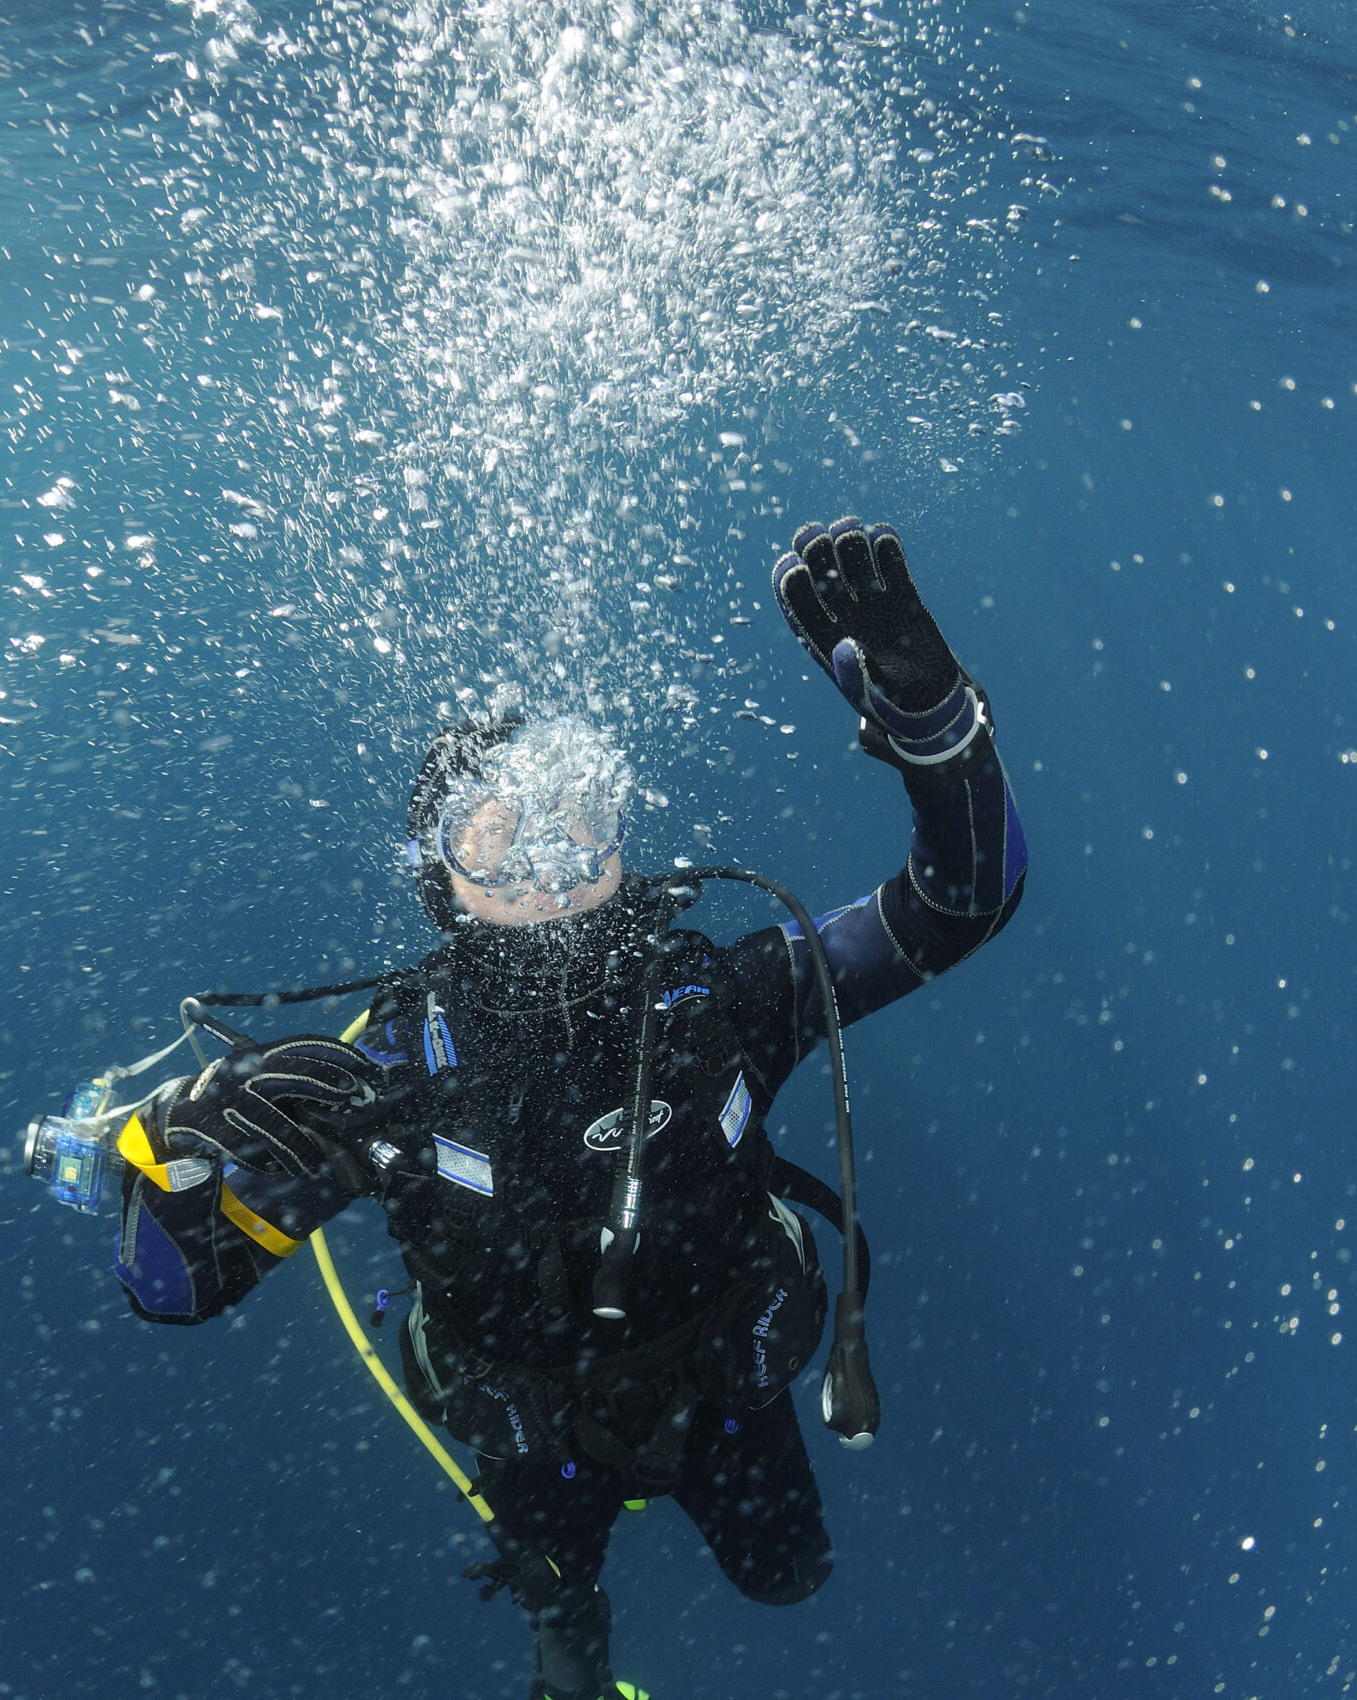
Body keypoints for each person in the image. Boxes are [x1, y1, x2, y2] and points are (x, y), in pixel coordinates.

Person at [108, 517, 1027, 1700]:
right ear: (437, 880)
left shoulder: (730, 998)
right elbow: (170, 1288)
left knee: (790, 1575)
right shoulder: (382, 1071)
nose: (545, 861)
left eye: (573, 818)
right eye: (495, 838)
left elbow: (962, 902)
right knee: (558, 1594)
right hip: (530, 1427)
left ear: (620, 837)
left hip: (726, 1385)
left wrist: (936, 729)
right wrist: (176, 1164)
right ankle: (572, 1614)